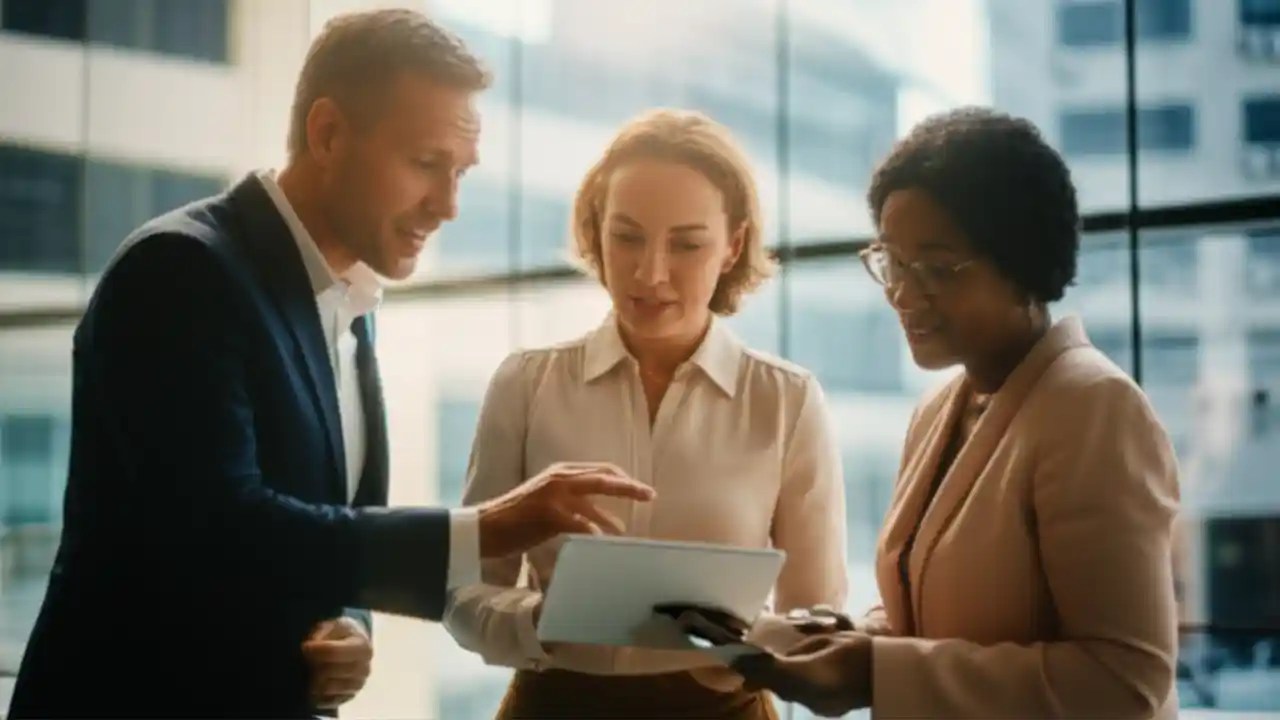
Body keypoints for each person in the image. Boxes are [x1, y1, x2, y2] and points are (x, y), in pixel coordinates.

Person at [8, 10, 653, 719]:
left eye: (461, 173)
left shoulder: (349, 304)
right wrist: (487, 530)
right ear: (328, 133)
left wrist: (349, 621)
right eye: (426, 164)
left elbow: (328, 527)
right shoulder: (181, 270)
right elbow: (221, 529)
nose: (448, 206)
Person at [727, 108, 1181, 718]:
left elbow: (1124, 682)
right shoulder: (942, 407)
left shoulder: (1092, 407)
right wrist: (844, 638)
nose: (901, 294)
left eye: (937, 269)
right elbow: (933, 611)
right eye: (891, 261)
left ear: (1022, 267)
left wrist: (875, 672)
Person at [443, 109, 849, 719]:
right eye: (626, 236)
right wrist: (538, 624)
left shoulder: (785, 400)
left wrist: (743, 641)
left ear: (733, 244)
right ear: (595, 229)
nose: (650, 273)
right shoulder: (526, 384)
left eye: (686, 244)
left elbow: (818, 617)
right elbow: (463, 596)